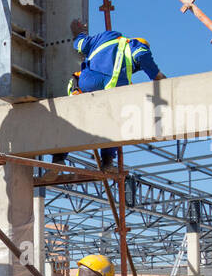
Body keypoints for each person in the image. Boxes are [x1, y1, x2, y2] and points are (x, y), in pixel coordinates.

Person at [60, 20, 166, 168]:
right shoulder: (136, 45)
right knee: (113, 123)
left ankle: (59, 157)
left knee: (76, 109)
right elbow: (142, 56)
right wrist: (158, 77)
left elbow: (80, 43)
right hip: (114, 89)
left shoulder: (102, 38)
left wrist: (77, 32)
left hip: (89, 84)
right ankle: (108, 161)